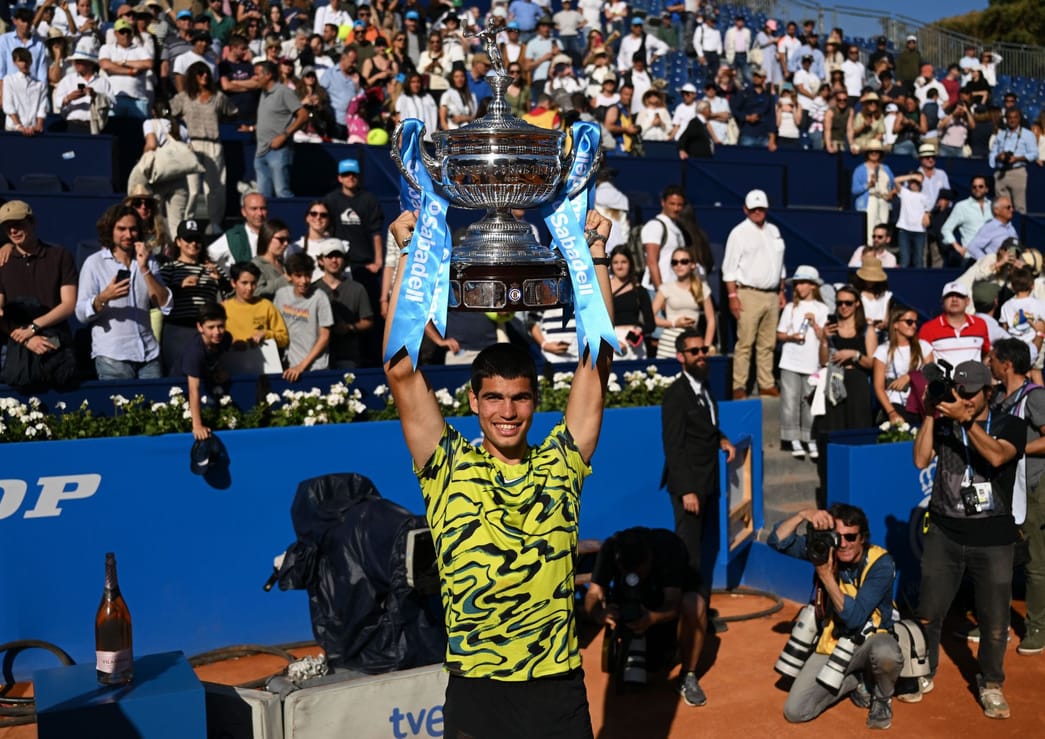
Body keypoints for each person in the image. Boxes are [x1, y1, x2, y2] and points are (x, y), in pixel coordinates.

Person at [381, 207, 614, 739]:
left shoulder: (562, 461)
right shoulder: (447, 465)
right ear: (473, 399)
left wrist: (596, 254)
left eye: (519, 399)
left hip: (556, 687)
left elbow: (596, 362)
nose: (506, 412)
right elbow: (400, 367)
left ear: (535, 401)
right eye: (494, 399)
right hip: (477, 691)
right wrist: (404, 255)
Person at [910, 360, 1023, 718]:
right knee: (929, 613)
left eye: (971, 394)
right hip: (943, 532)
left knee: (993, 621)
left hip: (993, 538)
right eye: (959, 392)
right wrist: (929, 414)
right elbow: (919, 459)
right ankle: (923, 671)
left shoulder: (1010, 424)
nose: (964, 399)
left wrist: (965, 420)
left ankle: (990, 683)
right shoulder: (943, 422)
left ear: (988, 392)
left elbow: (995, 455)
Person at [767, 504, 901, 729]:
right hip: (833, 642)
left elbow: (856, 618)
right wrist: (803, 514)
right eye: (837, 537)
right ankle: (855, 681)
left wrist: (825, 576)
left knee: (886, 652)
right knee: (796, 711)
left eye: (851, 537)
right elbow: (777, 541)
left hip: (869, 641)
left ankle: (881, 698)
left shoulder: (881, 563)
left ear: (862, 538)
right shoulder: (827, 551)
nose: (844, 544)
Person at [583, 526, 712, 707]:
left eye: (640, 571)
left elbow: (673, 603)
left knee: (694, 606)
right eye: (628, 572)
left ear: (650, 559)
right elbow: (593, 593)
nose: (635, 575)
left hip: (668, 601)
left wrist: (652, 618)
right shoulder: (611, 549)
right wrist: (600, 614)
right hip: (636, 603)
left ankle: (688, 675)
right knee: (652, 665)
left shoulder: (668, 548)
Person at [988, 339, 1045, 656]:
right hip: (1004, 489)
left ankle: (1038, 627)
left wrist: (1013, 449)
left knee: (1036, 561)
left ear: (1006, 364)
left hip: (1035, 488)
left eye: (992, 359)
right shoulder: (997, 396)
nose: (989, 364)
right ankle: (995, 623)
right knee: (997, 559)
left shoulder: (1036, 397)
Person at [75, 204, 172, 380]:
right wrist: (104, 297)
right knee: (117, 409)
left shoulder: (148, 262)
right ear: (110, 230)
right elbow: (81, 313)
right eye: (122, 229)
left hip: (149, 354)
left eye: (133, 229)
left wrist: (145, 269)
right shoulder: (94, 263)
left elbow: (165, 304)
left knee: (157, 407)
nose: (128, 235)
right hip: (112, 356)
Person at [0, 201, 77, 387]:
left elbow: (69, 304)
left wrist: (33, 328)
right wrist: (26, 339)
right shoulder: (2, 261)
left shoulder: (60, 255)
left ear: (32, 222)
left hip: (53, 344)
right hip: (14, 349)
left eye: (18, 224)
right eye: (8, 227)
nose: (13, 231)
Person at [722, 189, 786, 400]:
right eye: (753, 209)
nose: (757, 212)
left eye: (761, 208)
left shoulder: (774, 230)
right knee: (745, 342)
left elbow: (780, 264)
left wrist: (782, 290)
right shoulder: (738, 233)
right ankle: (739, 385)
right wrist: (733, 297)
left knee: (768, 343)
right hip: (748, 293)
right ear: (746, 210)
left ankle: (766, 383)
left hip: (772, 294)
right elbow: (729, 269)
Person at [323, 157, 384, 364]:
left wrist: (378, 260)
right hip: (340, 265)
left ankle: (370, 359)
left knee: (367, 313)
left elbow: (376, 232)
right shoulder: (331, 200)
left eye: (354, 174)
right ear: (339, 178)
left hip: (365, 264)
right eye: (347, 175)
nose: (351, 178)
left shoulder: (368, 200)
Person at [170, 62, 237, 236]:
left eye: (206, 73)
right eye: (200, 73)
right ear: (193, 76)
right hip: (192, 144)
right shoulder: (183, 97)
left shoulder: (218, 97)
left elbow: (232, 112)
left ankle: (215, 223)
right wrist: (177, 135)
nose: (204, 76)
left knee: (216, 187)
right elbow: (169, 113)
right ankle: (186, 222)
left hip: (213, 143)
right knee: (191, 188)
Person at [158, 219, 228, 374]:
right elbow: (157, 298)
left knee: (208, 376)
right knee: (177, 375)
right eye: (188, 239)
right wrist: (179, 287)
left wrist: (221, 281)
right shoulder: (170, 268)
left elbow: (233, 295)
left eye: (197, 239)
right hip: (178, 329)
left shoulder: (212, 268)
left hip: (207, 331)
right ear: (178, 242)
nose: (193, 244)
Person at [777, 266, 829, 459]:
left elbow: (825, 337)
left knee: (810, 403)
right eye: (797, 283)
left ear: (813, 286)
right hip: (790, 361)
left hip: (812, 362)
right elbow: (780, 334)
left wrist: (815, 324)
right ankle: (793, 438)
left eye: (803, 282)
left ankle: (810, 438)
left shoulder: (822, 309)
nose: (799, 286)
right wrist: (791, 337)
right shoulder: (790, 308)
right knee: (789, 401)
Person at [169, 302, 231, 440]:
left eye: (221, 326)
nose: (217, 332)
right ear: (199, 327)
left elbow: (218, 356)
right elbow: (193, 390)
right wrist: (197, 425)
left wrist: (219, 370)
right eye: (211, 327)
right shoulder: (194, 352)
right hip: (181, 393)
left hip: (204, 389)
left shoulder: (226, 338)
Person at [312, 239, 374, 369]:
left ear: (345, 260)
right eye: (329, 256)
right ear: (321, 260)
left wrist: (348, 328)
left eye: (338, 256)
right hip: (317, 356)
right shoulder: (313, 289)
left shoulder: (357, 289)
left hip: (347, 356)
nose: (334, 260)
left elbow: (368, 321)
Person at [253, 60, 308, 198]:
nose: (255, 77)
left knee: (282, 192)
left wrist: (284, 135)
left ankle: (290, 219)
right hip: (260, 151)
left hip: (278, 151)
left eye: (257, 74)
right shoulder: (263, 93)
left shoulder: (284, 92)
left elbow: (303, 115)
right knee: (263, 198)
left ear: (268, 75)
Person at [273, 252, 332, 381]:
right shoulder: (281, 295)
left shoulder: (320, 297)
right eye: (298, 276)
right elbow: (275, 327)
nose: (304, 281)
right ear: (288, 276)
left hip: (316, 368)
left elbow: (324, 336)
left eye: (307, 275)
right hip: (289, 367)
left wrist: (301, 366)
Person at [873, 304, 933, 426]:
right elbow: (878, 387)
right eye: (909, 322)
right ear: (895, 324)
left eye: (916, 322)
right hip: (895, 404)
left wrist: (910, 376)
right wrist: (891, 413)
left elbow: (932, 373)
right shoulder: (883, 350)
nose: (914, 326)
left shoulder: (924, 346)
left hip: (919, 404)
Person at [652, 247, 714, 360]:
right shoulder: (665, 288)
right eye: (675, 262)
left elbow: (711, 320)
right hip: (668, 343)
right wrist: (674, 323)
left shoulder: (702, 288)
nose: (679, 265)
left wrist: (706, 346)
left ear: (693, 265)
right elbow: (650, 318)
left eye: (684, 262)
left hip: (692, 345)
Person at [221, 261, 289, 353]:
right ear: (233, 283)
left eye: (253, 283)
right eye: (244, 283)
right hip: (232, 362)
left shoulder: (266, 306)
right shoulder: (224, 308)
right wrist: (231, 342)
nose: (249, 288)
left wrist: (266, 334)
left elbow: (284, 339)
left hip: (263, 364)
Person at [919, 281, 990, 367]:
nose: (954, 299)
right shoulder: (928, 328)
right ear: (942, 302)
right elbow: (927, 364)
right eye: (949, 296)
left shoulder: (980, 324)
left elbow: (986, 353)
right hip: (943, 380)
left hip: (975, 380)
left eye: (959, 296)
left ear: (967, 301)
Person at [54, 38, 115, 134]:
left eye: (80, 61)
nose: (76, 64)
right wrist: (69, 97)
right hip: (73, 125)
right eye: (76, 61)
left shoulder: (102, 82)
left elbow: (112, 103)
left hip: (96, 127)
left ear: (90, 63)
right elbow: (57, 102)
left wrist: (96, 95)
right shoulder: (67, 80)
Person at [990, 106, 1038, 215]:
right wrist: (999, 156)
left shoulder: (1027, 134)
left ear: (1019, 118)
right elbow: (992, 153)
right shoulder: (1001, 134)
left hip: (1017, 171)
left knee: (1019, 207)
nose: (1012, 120)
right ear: (1006, 119)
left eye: (1015, 117)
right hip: (1001, 172)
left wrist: (1017, 158)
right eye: (1010, 117)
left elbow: (1034, 154)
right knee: (1002, 207)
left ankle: (1019, 231)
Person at [609, 246, 654, 360]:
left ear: (630, 263)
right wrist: (611, 340)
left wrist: (640, 330)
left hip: (634, 342)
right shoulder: (604, 288)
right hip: (612, 339)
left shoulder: (639, 290)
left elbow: (650, 324)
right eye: (615, 262)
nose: (619, 266)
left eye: (624, 262)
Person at [640, 184, 688, 291]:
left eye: (680, 205)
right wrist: (660, 293)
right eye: (672, 204)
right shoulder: (655, 226)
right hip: (655, 290)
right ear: (663, 202)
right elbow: (652, 261)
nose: (676, 208)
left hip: (673, 289)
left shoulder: (676, 227)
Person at [209, 191, 268, 275]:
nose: (259, 213)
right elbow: (208, 256)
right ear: (244, 212)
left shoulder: (275, 234)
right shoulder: (234, 236)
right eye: (254, 209)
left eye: (263, 208)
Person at [940, 176, 993, 267]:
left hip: (990, 257)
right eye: (974, 187)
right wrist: (958, 248)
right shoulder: (962, 206)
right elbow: (946, 229)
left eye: (980, 186)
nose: (977, 189)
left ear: (986, 189)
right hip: (970, 258)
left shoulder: (993, 206)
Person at [850, 141, 894, 245]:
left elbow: (893, 184)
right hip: (869, 200)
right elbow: (854, 190)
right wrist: (868, 185)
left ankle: (881, 252)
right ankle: (870, 252)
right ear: (867, 153)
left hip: (884, 201)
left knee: (883, 229)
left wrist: (891, 193)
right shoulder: (860, 169)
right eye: (871, 152)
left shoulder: (886, 168)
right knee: (870, 229)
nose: (874, 153)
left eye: (877, 151)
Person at [3, 47, 47, 135]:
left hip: (33, 130)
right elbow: (8, 105)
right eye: (21, 61)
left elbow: (42, 107)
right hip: (13, 129)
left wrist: (39, 125)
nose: (24, 64)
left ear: (31, 61)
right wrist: (19, 126)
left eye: (26, 60)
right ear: (14, 62)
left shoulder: (40, 84)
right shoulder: (9, 79)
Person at [730, 66, 777, 150]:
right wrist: (746, 117)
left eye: (759, 76)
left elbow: (772, 117)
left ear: (764, 78)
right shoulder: (744, 93)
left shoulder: (768, 96)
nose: (756, 78)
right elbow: (734, 110)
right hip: (748, 133)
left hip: (764, 134)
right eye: (754, 76)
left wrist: (772, 138)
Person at [964, 197, 1018, 262]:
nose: (1012, 210)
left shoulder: (1011, 228)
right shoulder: (990, 227)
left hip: (1010, 268)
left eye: (1012, 207)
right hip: (996, 269)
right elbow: (972, 247)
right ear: (996, 210)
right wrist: (988, 262)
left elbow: (1013, 249)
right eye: (1008, 207)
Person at [251, 219, 291, 300]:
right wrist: (284, 279)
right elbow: (256, 293)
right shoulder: (256, 264)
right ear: (267, 237)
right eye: (281, 239)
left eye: (288, 240)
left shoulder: (284, 265)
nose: (286, 244)